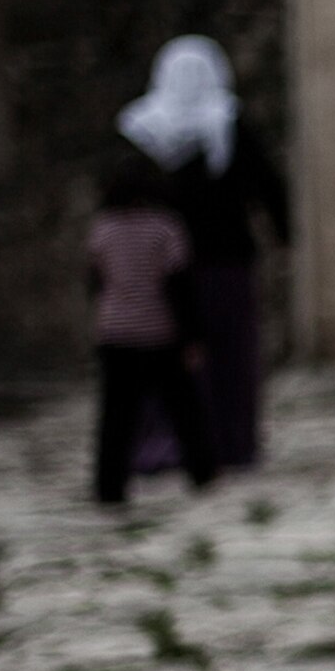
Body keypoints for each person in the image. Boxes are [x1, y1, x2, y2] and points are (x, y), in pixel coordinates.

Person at [117, 35, 289, 470]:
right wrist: (285, 234)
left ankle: (166, 445)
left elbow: (120, 200)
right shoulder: (227, 124)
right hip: (225, 262)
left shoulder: (141, 130)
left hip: (160, 268)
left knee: (162, 354)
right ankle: (229, 444)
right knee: (228, 356)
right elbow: (268, 187)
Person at [88, 150, 220, 505]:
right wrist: (193, 337)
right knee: (185, 409)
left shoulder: (102, 230)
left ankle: (109, 486)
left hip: (115, 334)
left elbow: (95, 281)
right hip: (159, 334)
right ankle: (202, 472)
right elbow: (180, 287)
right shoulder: (166, 228)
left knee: (115, 417)